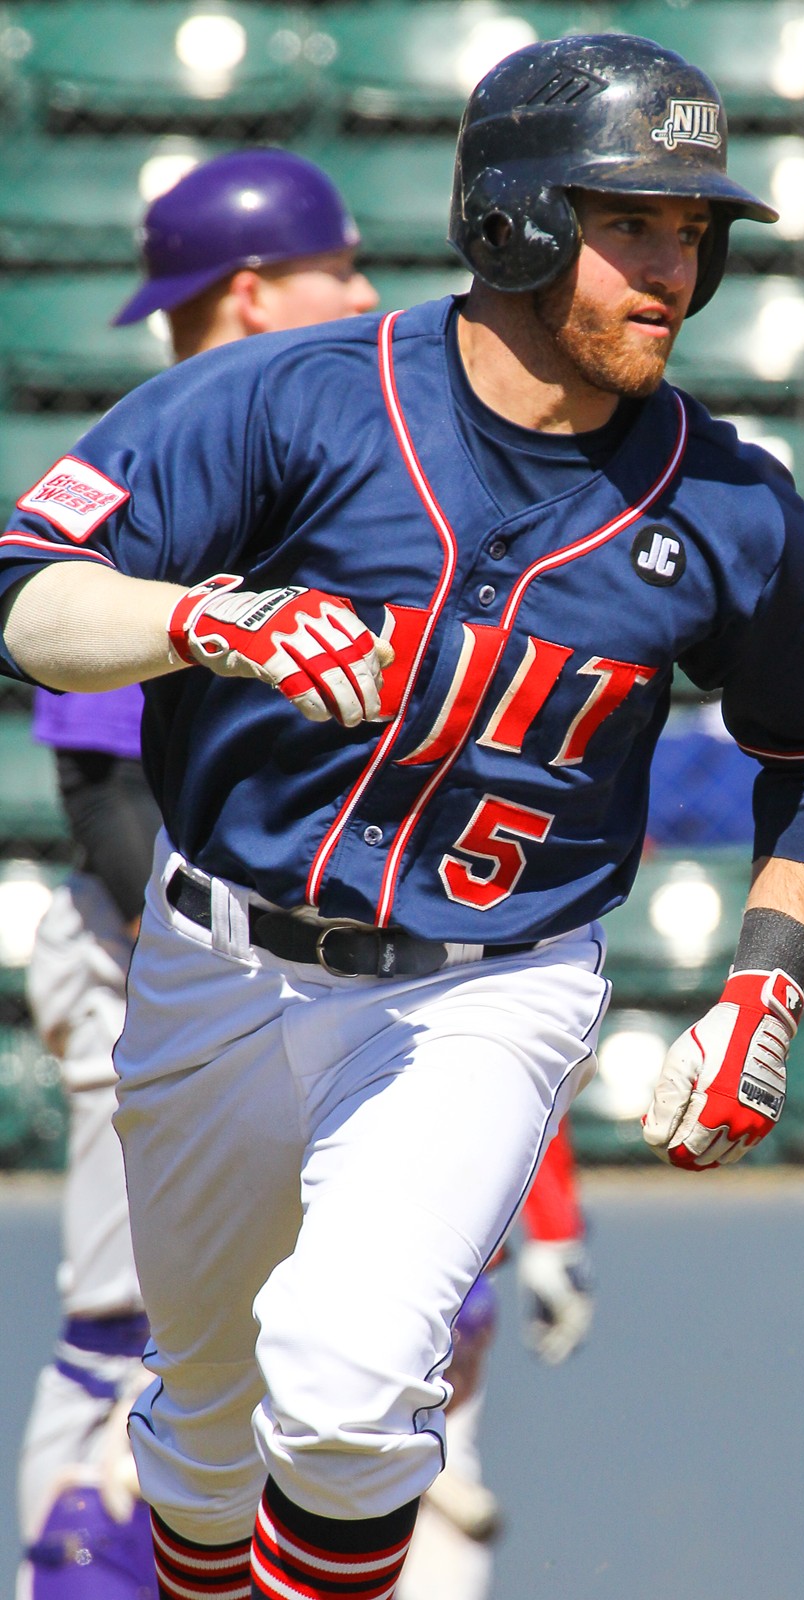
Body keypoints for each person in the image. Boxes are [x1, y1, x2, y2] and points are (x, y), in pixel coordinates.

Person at [0, 34, 804, 1599]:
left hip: (488, 980)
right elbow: (31, 597)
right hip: (217, 958)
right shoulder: (293, 396)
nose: (673, 268)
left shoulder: (729, 503)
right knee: (203, 1441)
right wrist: (210, 623)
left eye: (692, 233)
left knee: (343, 1389)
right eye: (634, 223)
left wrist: (764, 981)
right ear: (515, 224)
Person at [14, 143, 590, 1600]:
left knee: (380, 1366)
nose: (367, 286)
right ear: (257, 291)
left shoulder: (386, 443)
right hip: (178, 952)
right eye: (337, 265)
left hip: (364, 978)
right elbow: (106, 801)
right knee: (135, 1383)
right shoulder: (182, 451)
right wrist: (266, 940)